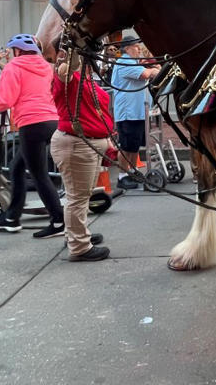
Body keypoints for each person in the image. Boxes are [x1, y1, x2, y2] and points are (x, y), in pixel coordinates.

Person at [0, 34, 64, 237]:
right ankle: (11, 217)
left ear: (17, 51)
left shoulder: (14, 67)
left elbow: (4, 100)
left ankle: (58, 221)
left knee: (39, 175)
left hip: (32, 123)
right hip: (52, 120)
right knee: (16, 168)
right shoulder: (45, 66)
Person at [50, 50, 112, 261]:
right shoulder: (69, 75)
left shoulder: (84, 78)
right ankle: (79, 246)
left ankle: (77, 235)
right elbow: (69, 67)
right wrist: (74, 48)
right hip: (78, 144)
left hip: (87, 143)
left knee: (80, 195)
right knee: (77, 196)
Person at [111, 35, 159, 189]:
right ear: (127, 48)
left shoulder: (133, 62)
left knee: (134, 144)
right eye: (136, 46)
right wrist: (155, 68)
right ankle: (122, 175)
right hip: (128, 112)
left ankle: (132, 170)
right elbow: (147, 74)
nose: (139, 49)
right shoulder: (124, 61)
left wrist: (153, 68)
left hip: (137, 111)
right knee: (126, 145)